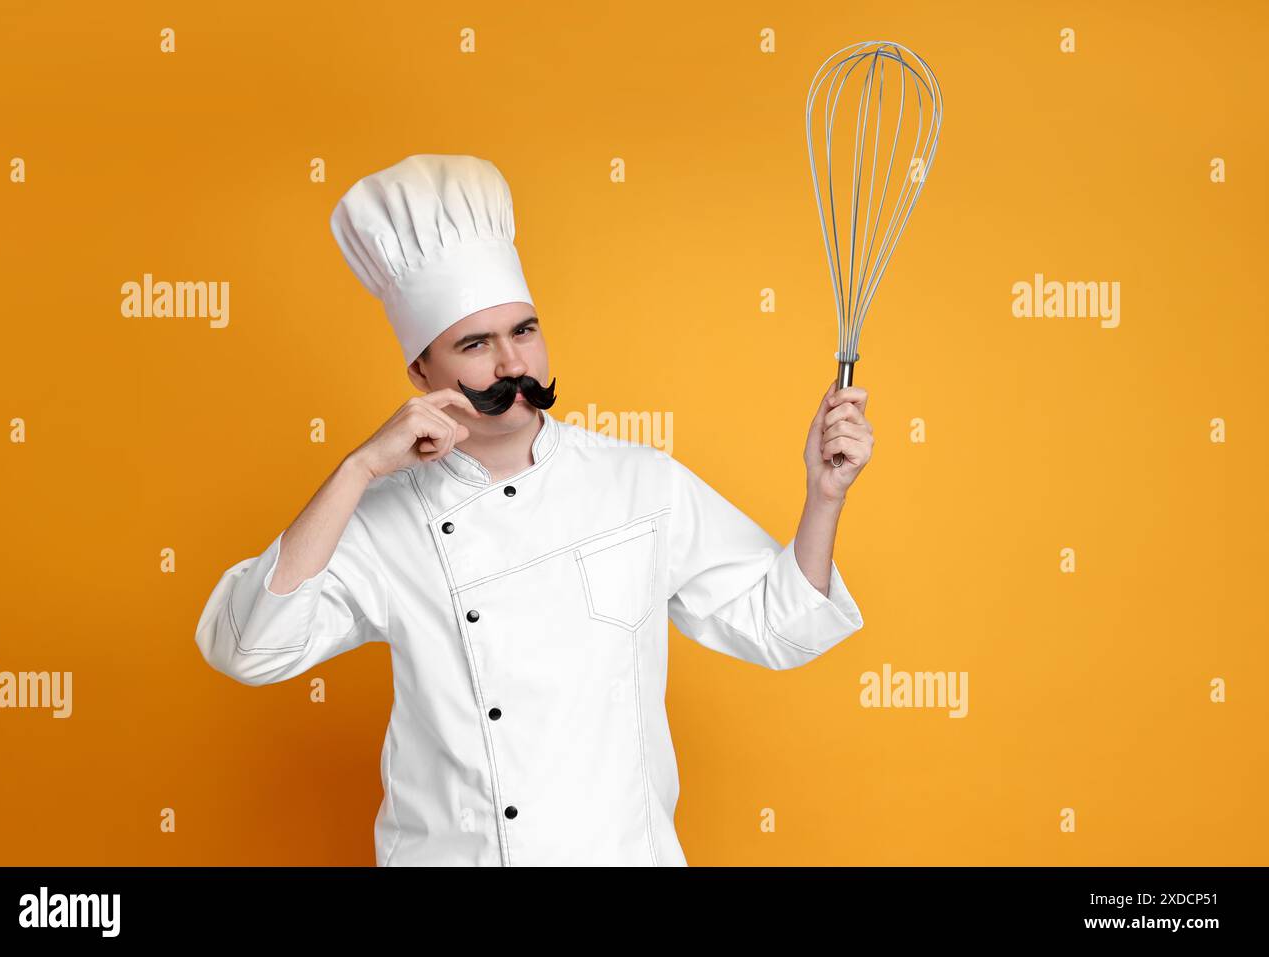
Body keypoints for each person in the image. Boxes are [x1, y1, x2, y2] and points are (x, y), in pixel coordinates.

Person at [194, 154, 873, 866]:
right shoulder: (381, 520)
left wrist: (825, 495)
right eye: (475, 344)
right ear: (421, 372)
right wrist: (357, 468)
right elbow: (248, 649)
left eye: (524, 330)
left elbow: (781, 623)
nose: (512, 365)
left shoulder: (638, 482)